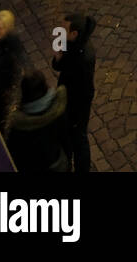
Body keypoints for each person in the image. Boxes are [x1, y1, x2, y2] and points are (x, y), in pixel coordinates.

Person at [51, 12, 96, 175]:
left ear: (74, 33)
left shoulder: (84, 57)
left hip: (78, 103)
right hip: (67, 97)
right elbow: (58, 66)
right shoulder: (68, 41)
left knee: (79, 138)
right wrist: (57, 58)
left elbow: (82, 90)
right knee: (67, 134)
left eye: (63, 29)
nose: (59, 31)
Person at [6, 72, 71, 173]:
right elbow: (65, 138)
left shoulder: (19, 124)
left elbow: (15, 152)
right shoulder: (58, 110)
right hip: (56, 163)